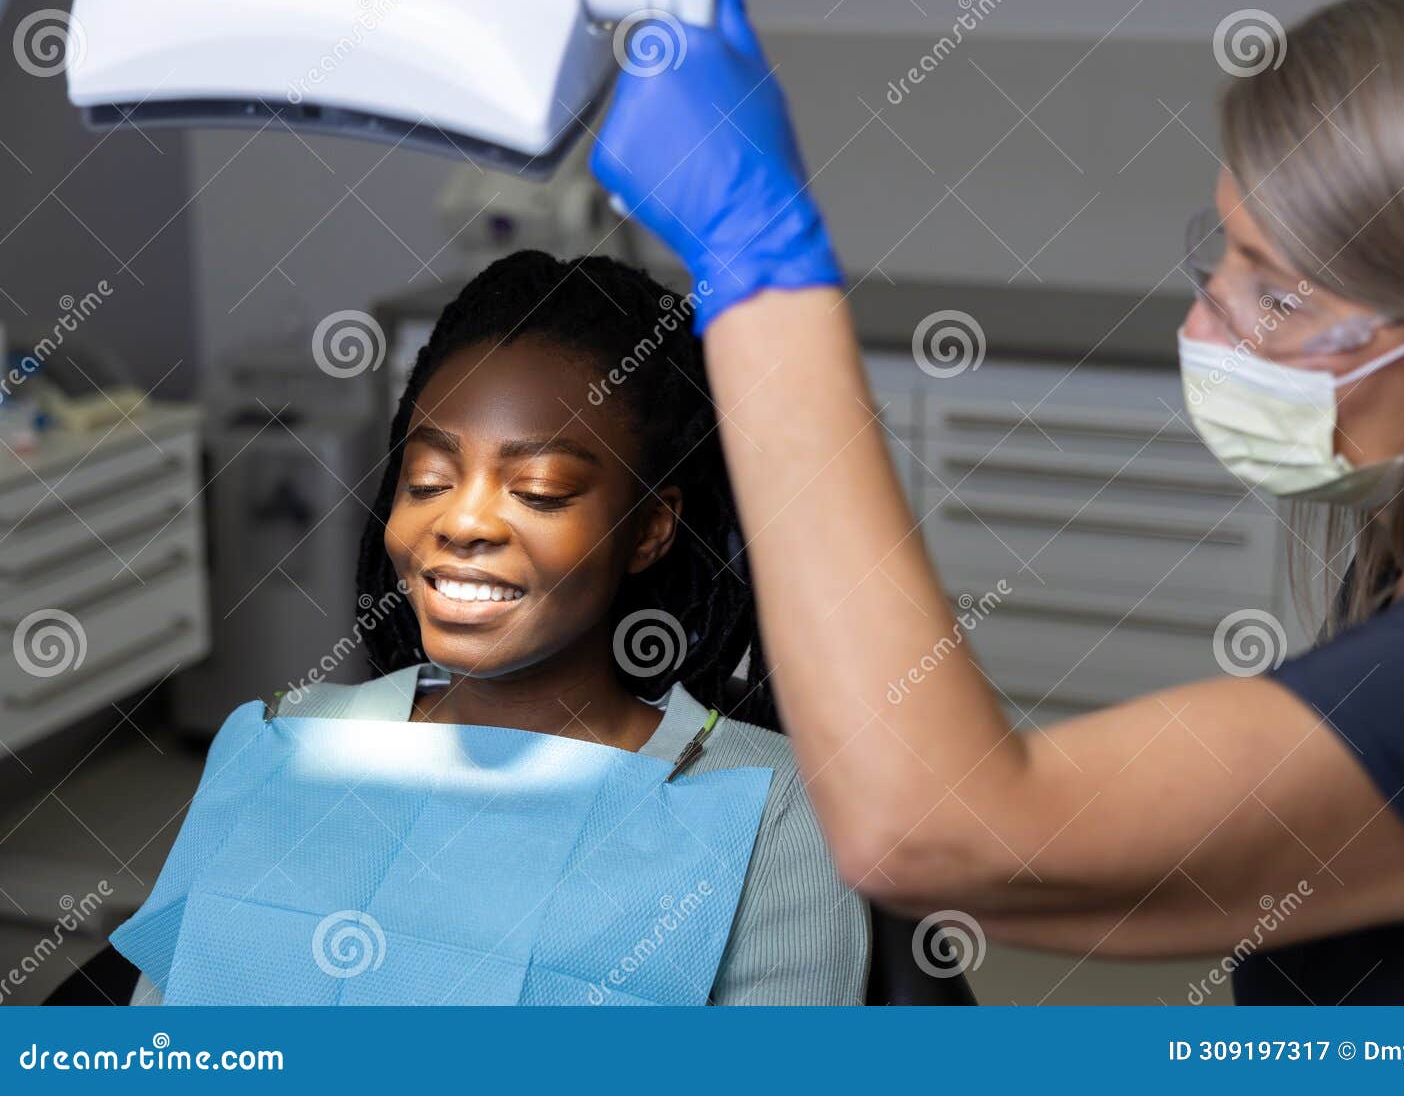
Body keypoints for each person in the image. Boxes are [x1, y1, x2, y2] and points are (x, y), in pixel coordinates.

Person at [587, 0, 1404, 1002]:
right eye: (1224, 255)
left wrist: (758, 260)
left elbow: (941, 830)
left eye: (1279, 297)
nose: (1204, 331)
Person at [131, 250, 868, 1006]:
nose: (462, 522)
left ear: (649, 527)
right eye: (428, 482)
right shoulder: (279, 742)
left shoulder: (769, 817)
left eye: (540, 491)